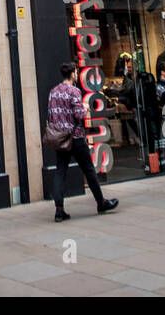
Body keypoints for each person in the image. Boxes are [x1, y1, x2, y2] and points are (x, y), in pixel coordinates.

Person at [48, 63, 120, 220]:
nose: (76, 74)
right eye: (76, 72)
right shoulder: (74, 91)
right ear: (73, 74)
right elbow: (79, 116)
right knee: (88, 169)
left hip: (61, 139)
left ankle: (59, 209)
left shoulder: (53, 92)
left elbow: (51, 115)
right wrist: (85, 107)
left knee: (60, 171)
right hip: (76, 137)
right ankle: (101, 202)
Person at [113, 54, 142, 148]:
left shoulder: (138, 78)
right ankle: (132, 139)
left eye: (130, 67)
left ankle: (139, 138)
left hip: (136, 103)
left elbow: (133, 91)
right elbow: (126, 90)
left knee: (135, 122)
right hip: (129, 103)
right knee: (129, 121)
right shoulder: (128, 78)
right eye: (128, 67)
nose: (128, 69)